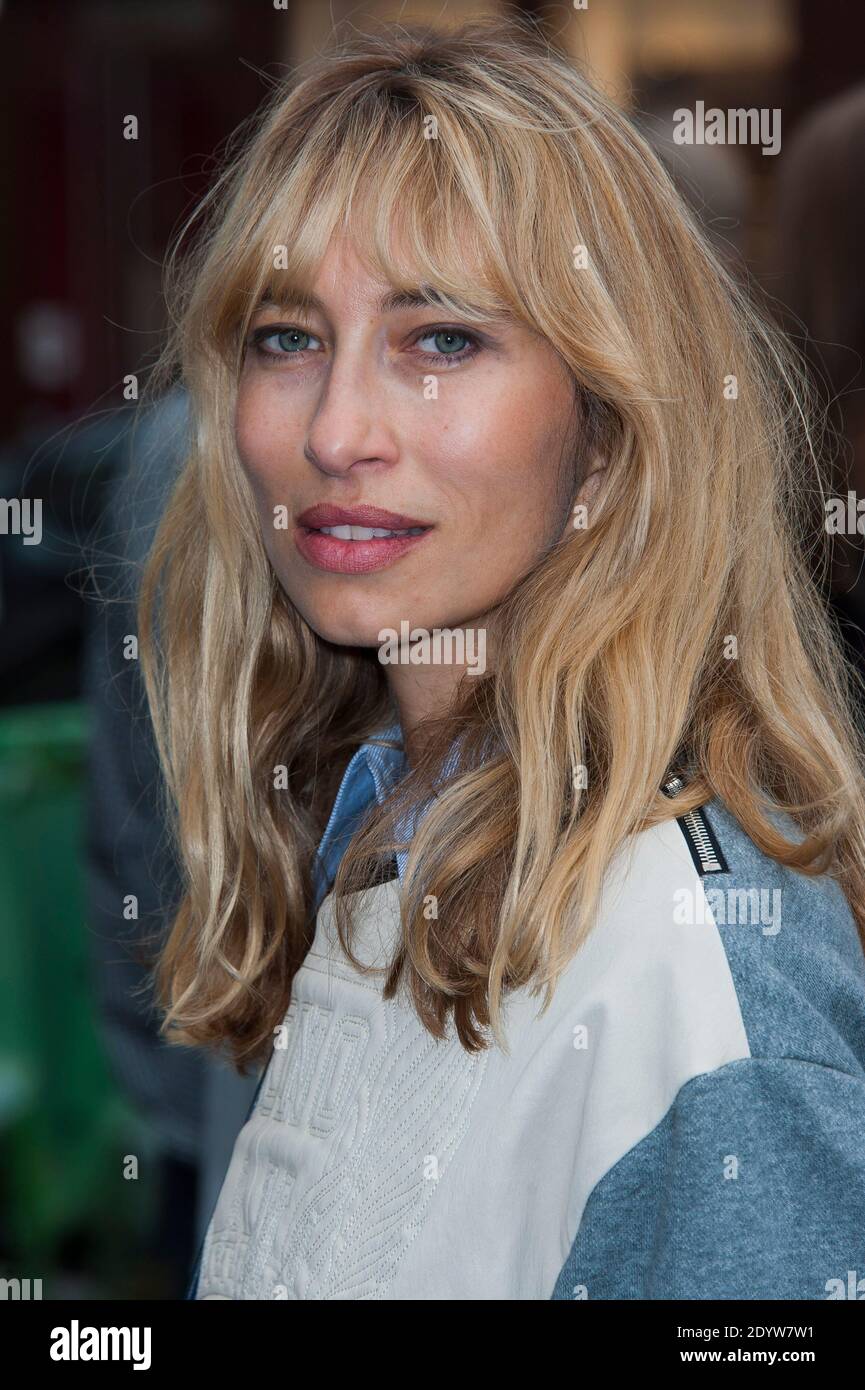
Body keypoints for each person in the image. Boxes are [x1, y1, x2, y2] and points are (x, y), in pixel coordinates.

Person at [137, 18, 865, 1300]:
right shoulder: (373, 820)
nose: (337, 430)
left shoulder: (692, 976)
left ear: (605, 427)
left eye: (443, 340)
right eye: (287, 336)